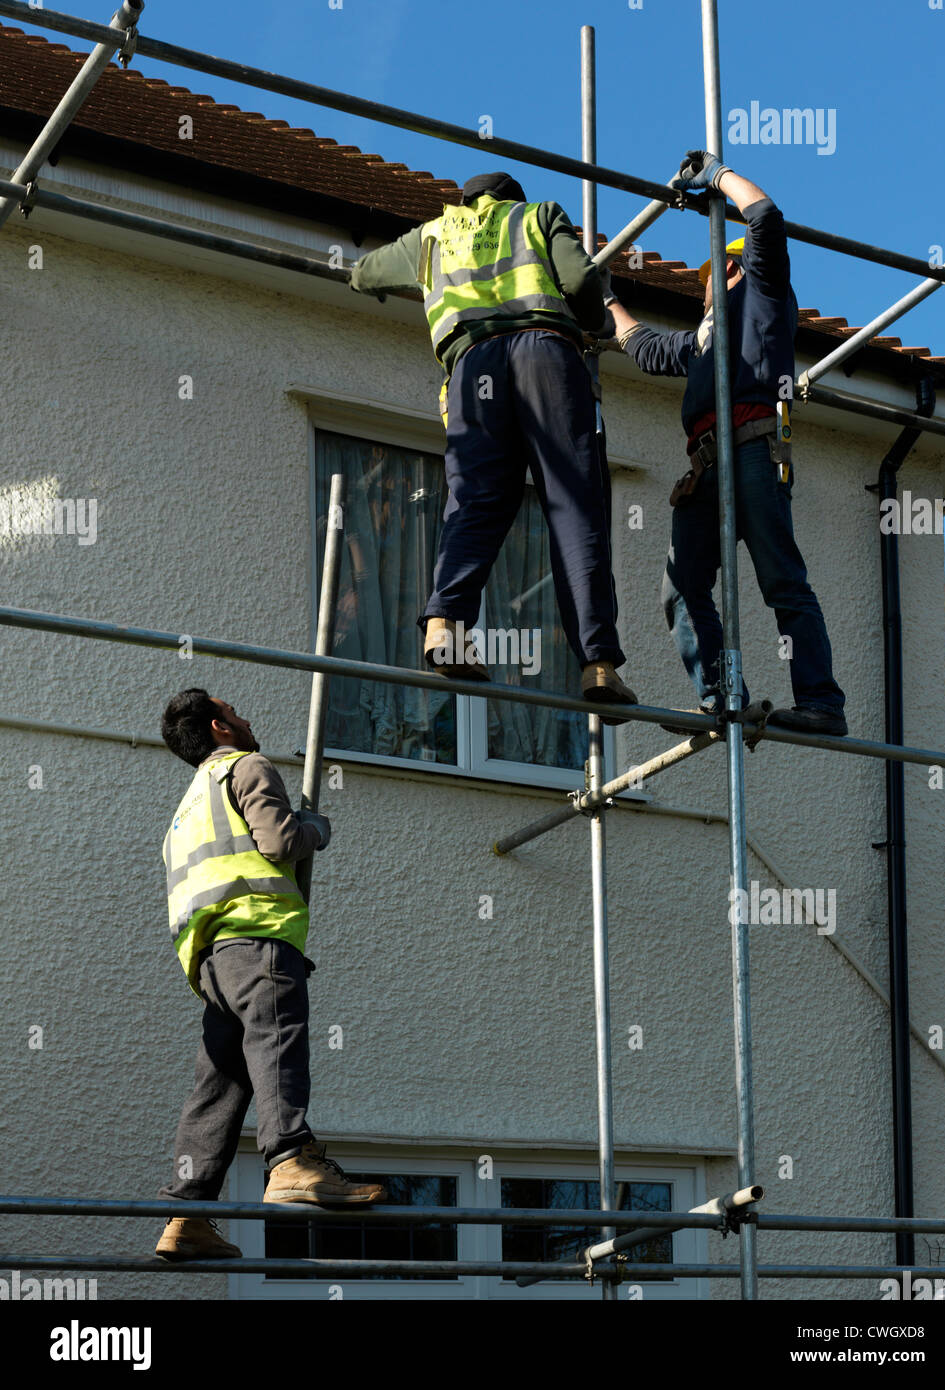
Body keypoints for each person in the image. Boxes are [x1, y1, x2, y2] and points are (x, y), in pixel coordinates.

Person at [350, 170, 637, 721]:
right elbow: (580, 285)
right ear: (512, 199)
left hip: (471, 368)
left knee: (475, 502)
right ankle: (597, 664)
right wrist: (597, 323)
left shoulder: (432, 235)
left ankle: (445, 628)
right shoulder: (538, 215)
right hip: (546, 354)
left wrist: (389, 279)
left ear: (467, 201)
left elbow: (364, 273)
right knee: (574, 507)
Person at [605, 151, 847, 737]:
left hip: (756, 449)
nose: (708, 284)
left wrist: (718, 177)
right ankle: (721, 696)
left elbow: (763, 215)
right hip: (708, 466)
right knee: (681, 585)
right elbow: (645, 347)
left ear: (732, 270)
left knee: (781, 581)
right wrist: (605, 298)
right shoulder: (705, 341)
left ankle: (820, 701)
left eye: (716, 271)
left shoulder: (762, 295)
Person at [154, 688, 386, 1261]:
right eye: (235, 712)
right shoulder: (247, 766)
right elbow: (280, 841)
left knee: (218, 1086)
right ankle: (289, 1161)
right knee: (277, 1041)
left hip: (211, 963)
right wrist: (318, 826)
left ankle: (186, 1216)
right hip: (257, 940)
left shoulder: (187, 805)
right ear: (220, 727)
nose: (247, 716)